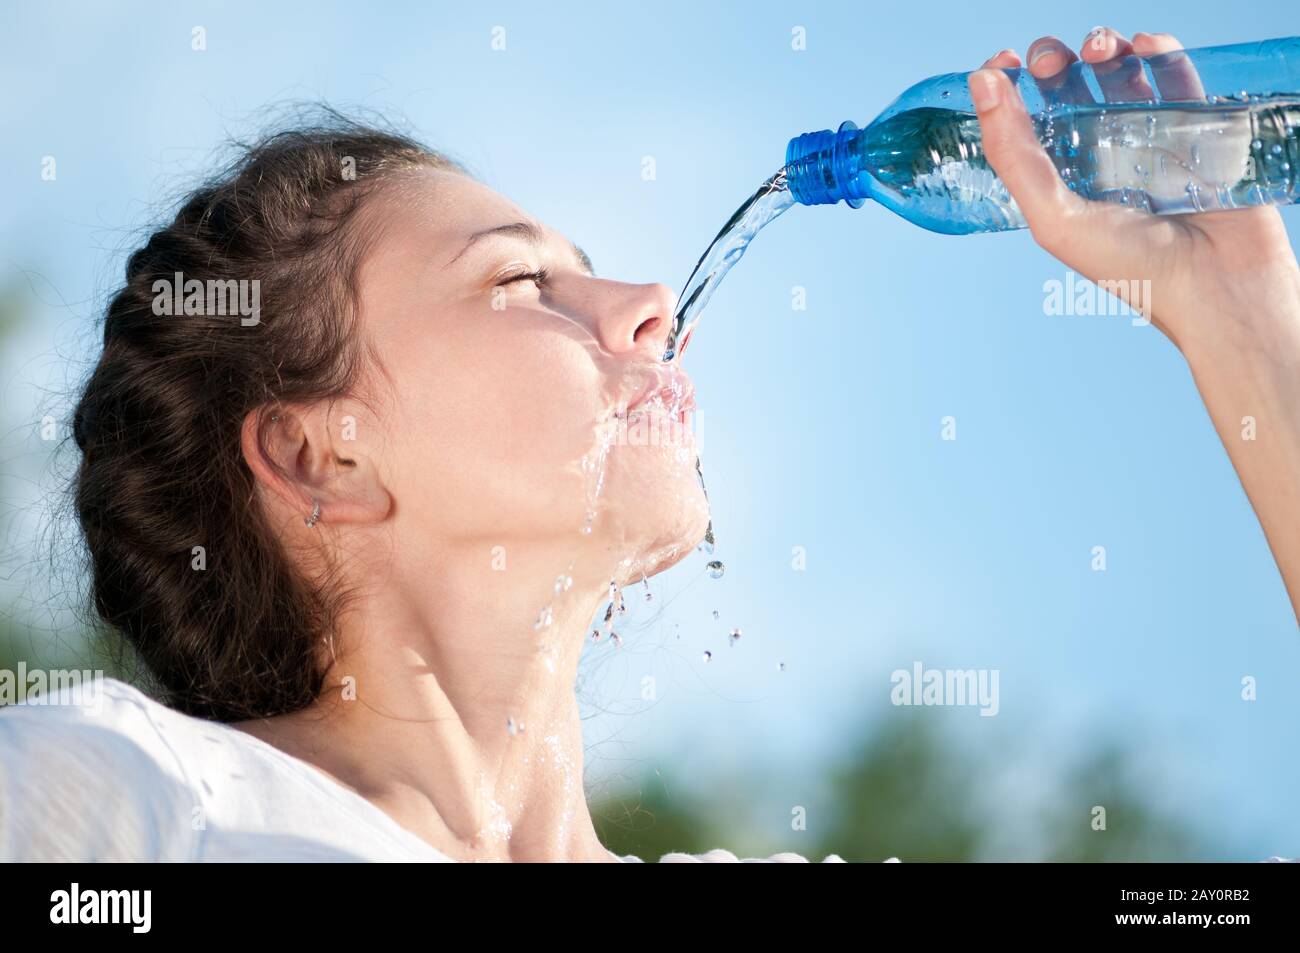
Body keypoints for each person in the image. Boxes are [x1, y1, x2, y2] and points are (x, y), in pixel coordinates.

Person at [2, 27, 1297, 863]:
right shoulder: (129, 797)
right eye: (518, 284)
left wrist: (1238, 322)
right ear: (319, 458)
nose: (646, 304)